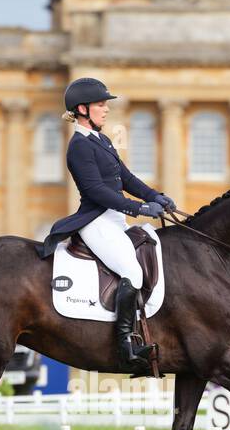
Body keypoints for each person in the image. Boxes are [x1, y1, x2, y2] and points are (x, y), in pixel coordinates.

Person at [38, 78, 176, 375]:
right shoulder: (78, 146)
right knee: (132, 271)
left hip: (115, 220)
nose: (106, 109)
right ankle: (125, 345)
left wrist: (155, 196)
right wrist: (140, 208)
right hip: (96, 220)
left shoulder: (101, 140)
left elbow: (125, 178)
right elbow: (97, 191)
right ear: (83, 109)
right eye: (101, 104)